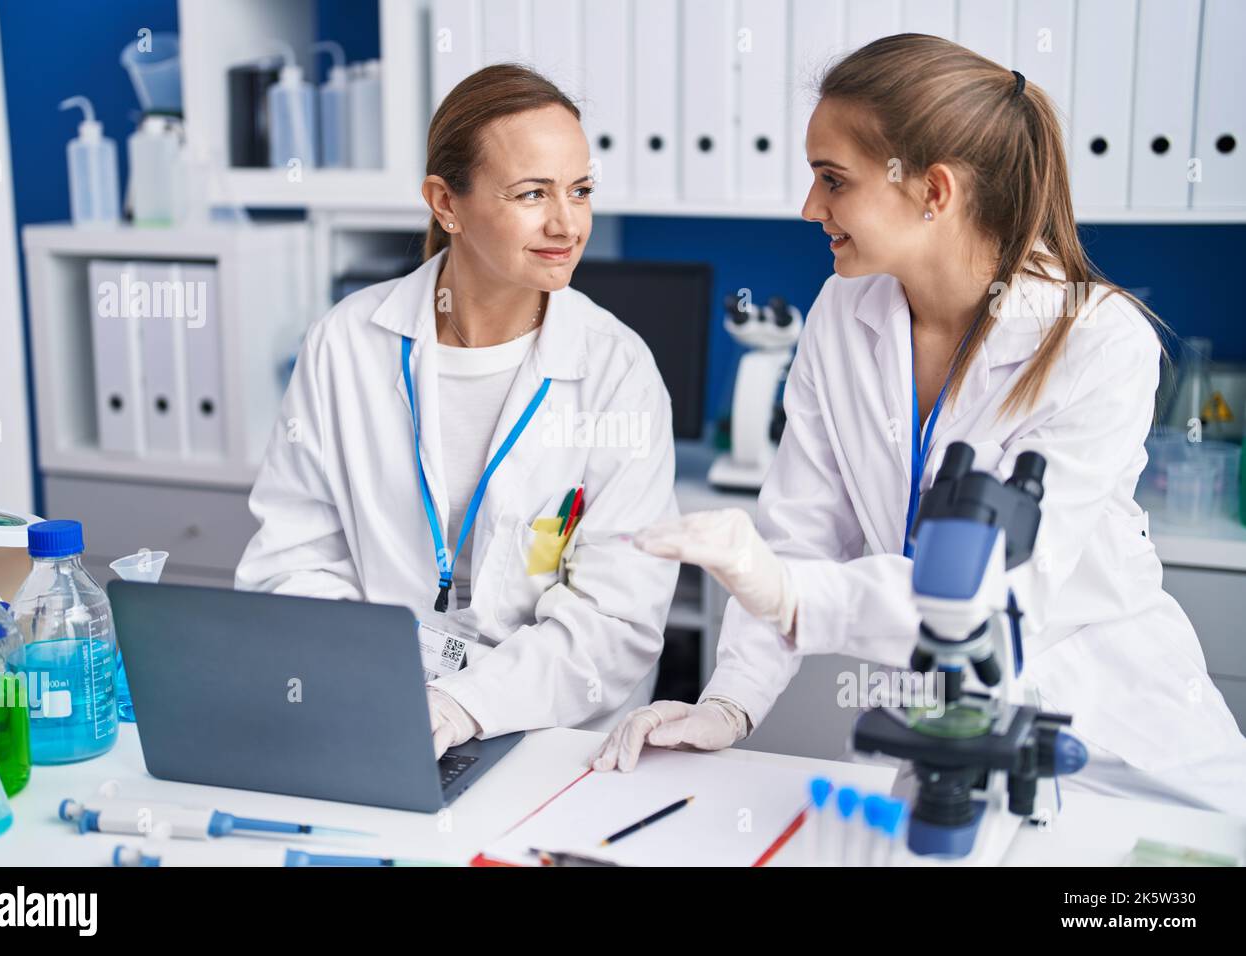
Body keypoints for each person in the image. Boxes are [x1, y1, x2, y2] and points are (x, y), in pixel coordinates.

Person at [592, 34, 1246, 816]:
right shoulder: (844, 311)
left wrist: (789, 592)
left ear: (932, 191)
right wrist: (729, 703)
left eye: (833, 180)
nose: (810, 208)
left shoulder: (1096, 340)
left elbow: (998, 589)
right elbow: (802, 532)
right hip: (945, 741)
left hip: (1116, 754)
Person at [237, 65, 678, 758]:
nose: (567, 223)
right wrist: (381, 693)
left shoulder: (617, 370)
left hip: (557, 739)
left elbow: (615, 619)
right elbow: (293, 564)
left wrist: (463, 703)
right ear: (447, 203)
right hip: (380, 717)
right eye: (533, 193)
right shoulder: (346, 345)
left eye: (581, 190)